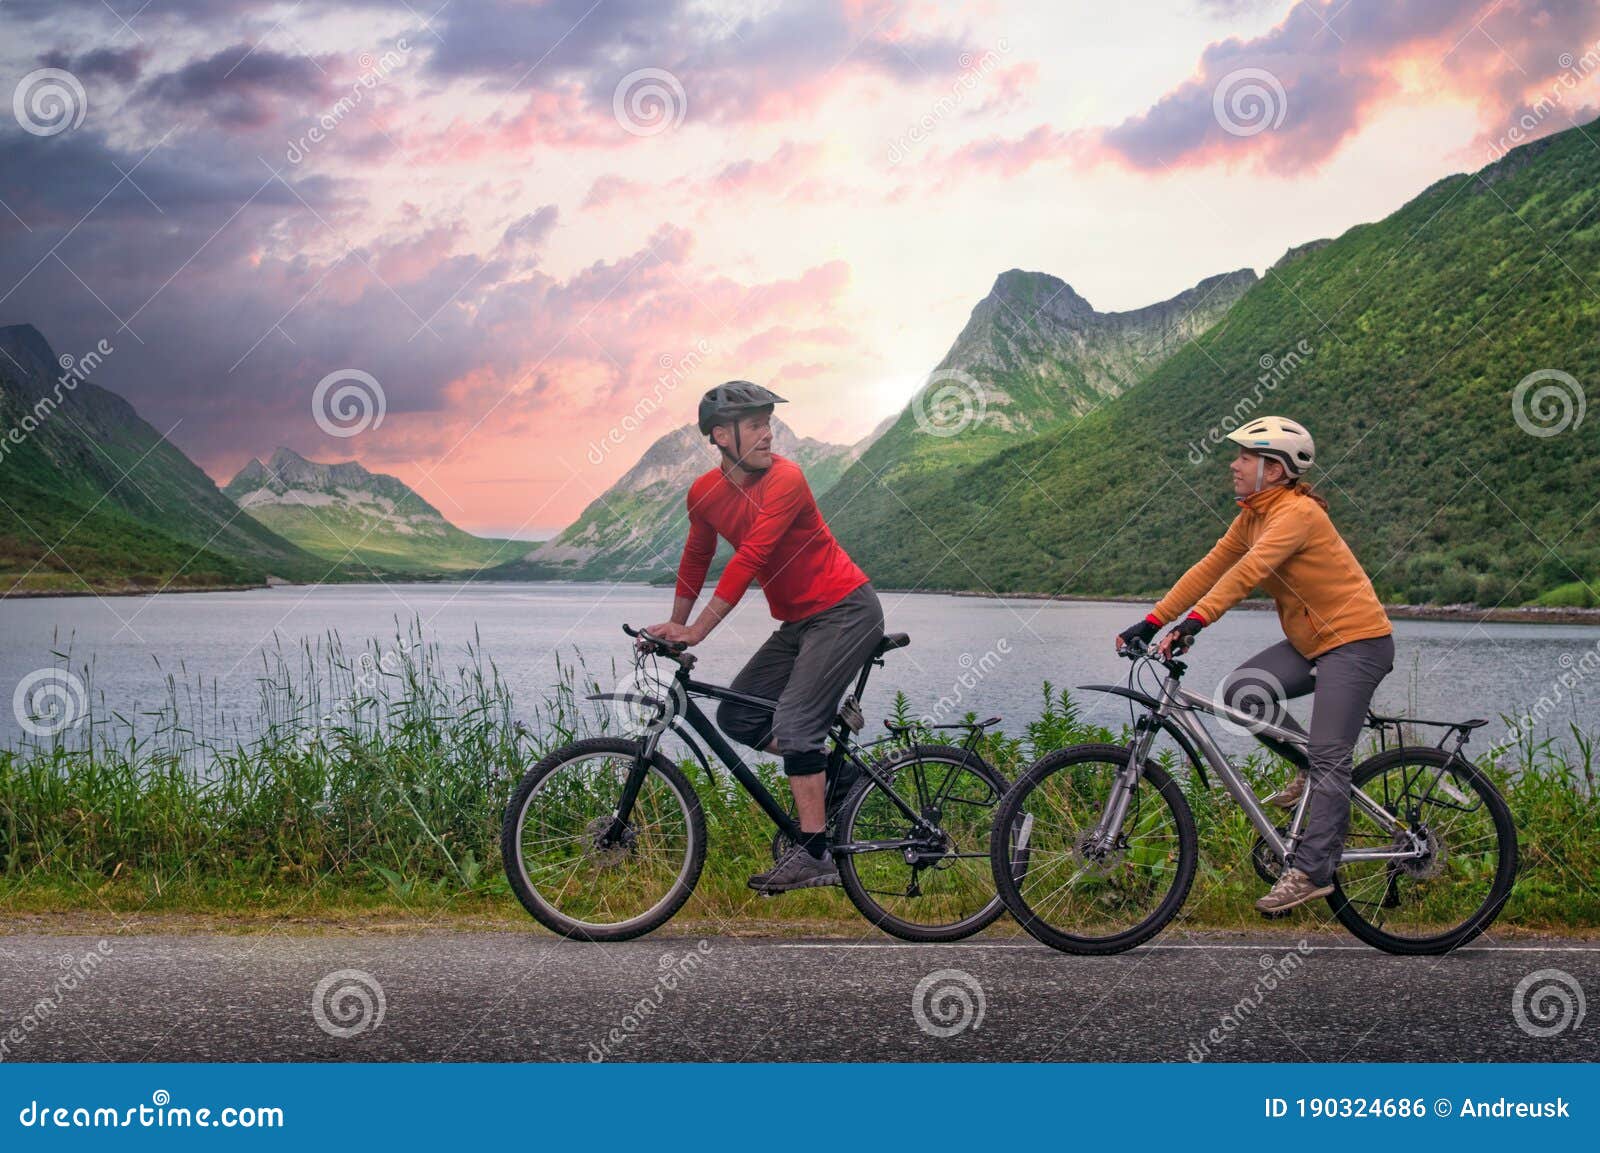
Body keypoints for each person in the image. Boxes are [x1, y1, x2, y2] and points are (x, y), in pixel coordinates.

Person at [1115, 416, 1394, 914]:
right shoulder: (1253, 516)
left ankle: (1312, 871)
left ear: (1275, 468)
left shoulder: (1297, 514)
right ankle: (1310, 770)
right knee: (1243, 691)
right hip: (1314, 644)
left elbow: (1250, 571)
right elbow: (1211, 566)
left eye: (1244, 456)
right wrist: (1153, 621)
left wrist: (1196, 622)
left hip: (1356, 644)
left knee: (1332, 757)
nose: (1234, 464)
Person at [647, 381, 885, 894]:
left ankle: (815, 854)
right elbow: (696, 558)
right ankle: (839, 780)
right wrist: (675, 624)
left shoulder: (787, 479)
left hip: (845, 610)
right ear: (721, 435)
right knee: (739, 715)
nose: (767, 434)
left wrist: (697, 631)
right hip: (800, 622)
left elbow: (749, 558)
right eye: (755, 424)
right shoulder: (704, 494)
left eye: (767, 423)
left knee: (797, 725)